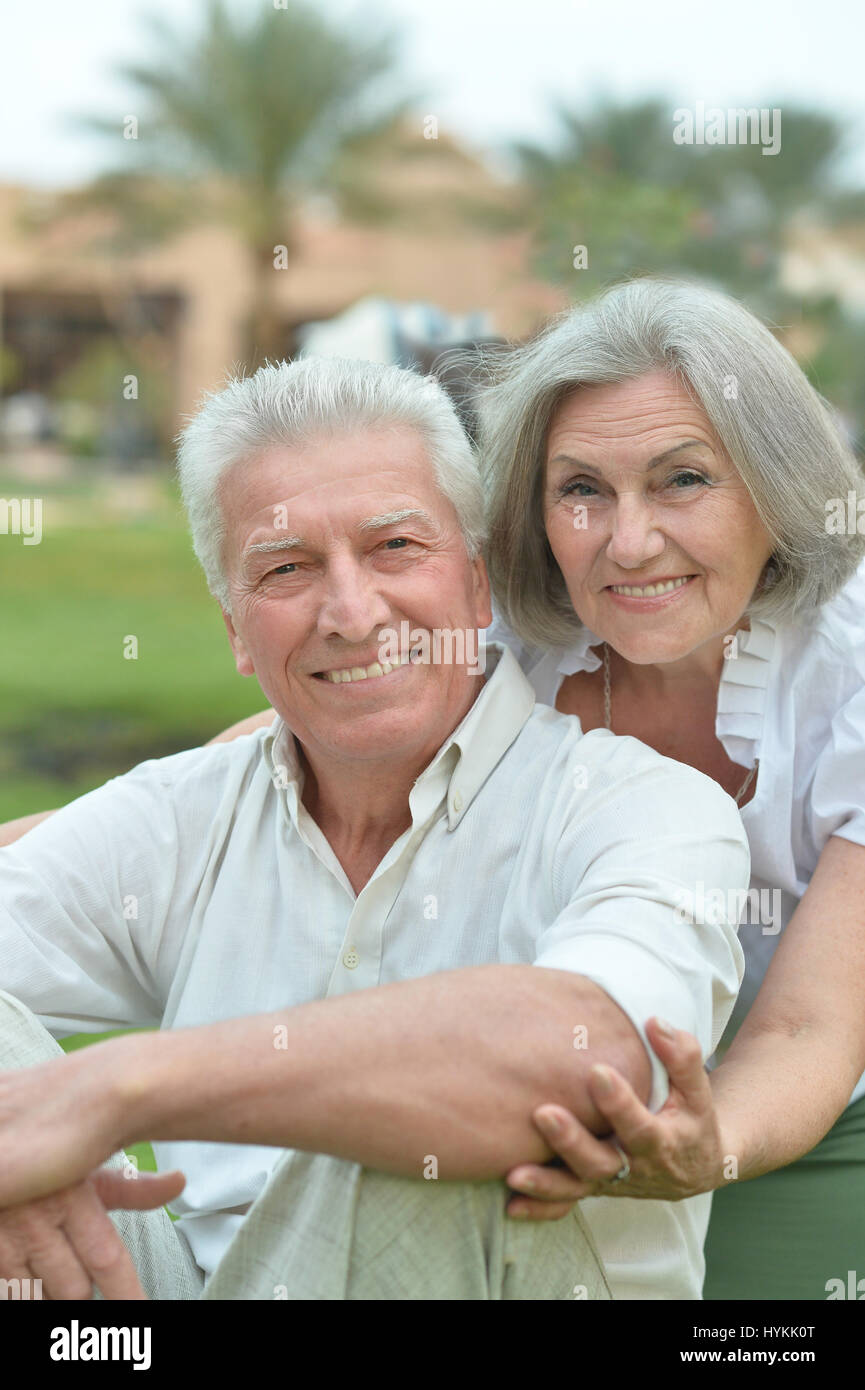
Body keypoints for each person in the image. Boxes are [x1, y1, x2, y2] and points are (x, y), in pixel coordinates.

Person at [0, 355, 750, 1301]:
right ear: (235, 628)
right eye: (286, 569)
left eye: (395, 546)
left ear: (478, 589)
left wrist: (112, 1089)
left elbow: (581, 1059)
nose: (351, 614)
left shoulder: (645, 809)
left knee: (432, 1131)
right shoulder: (177, 819)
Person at [182, 277, 865, 1301]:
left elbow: (808, 1027)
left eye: (682, 480)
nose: (626, 543)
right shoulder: (507, 633)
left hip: (798, 1118)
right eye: (581, 489)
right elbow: (266, 759)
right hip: (548, 1108)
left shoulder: (849, 670)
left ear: (772, 482)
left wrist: (697, 1142)